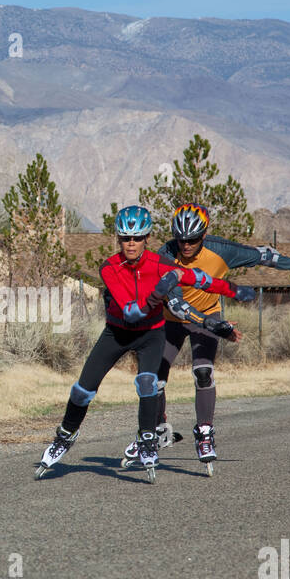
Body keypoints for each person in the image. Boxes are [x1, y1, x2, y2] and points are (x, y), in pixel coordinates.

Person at [36, 205, 241, 480]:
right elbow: (131, 310)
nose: (130, 244)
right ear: (118, 239)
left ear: (146, 238)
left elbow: (200, 280)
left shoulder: (161, 264)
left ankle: (147, 440)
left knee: (148, 384)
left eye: (136, 238)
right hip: (117, 332)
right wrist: (156, 296)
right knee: (82, 391)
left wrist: (235, 291)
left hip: (151, 334)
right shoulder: (109, 267)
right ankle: (65, 435)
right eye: (125, 238)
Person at [121, 202, 290, 469]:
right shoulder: (166, 254)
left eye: (192, 240)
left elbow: (265, 255)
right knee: (153, 379)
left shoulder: (221, 251)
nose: (185, 246)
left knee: (203, 372)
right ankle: (157, 429)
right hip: (173, 319)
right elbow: (175, 304)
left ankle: (205, 432)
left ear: (204, 236)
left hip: (208, 314)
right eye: (181, 239)